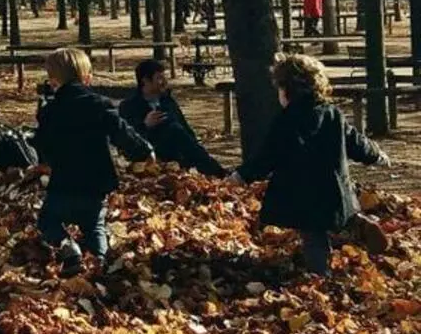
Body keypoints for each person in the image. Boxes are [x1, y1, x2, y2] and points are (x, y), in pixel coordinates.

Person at [229, 54, 390, 275]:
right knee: (340, 215)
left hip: (303, 193)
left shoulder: (286, 121)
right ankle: (359, 224)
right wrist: (377, 155)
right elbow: (356, 143)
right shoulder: (332, 114)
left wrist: (241, 176)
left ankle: (320, 277)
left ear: (286, 90)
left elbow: (268, 156)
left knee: (314, 237)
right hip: (335, 190)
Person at [32, 48, 153, 277]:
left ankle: (68, 247)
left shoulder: (49, 112)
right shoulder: (100, 105)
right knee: (94, 225)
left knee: (47, 222)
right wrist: (143, 151)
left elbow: (42, 143)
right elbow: (122, 134)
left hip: (63, 182)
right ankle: (100, 263)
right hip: (96, 182)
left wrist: (46, 162)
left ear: (53, 81)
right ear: (87, 77)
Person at [120, 59, 227, 177]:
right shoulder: (129, 106)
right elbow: (126, 139)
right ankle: (219, 173)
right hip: (149, 153)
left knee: (177, 131)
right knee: (173, 129)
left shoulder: (167, 101)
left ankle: (217, 172)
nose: (164, 82)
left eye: (164, 77)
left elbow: (186, 129)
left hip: (177, 152)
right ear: (145, 80)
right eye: (159, 78)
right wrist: (145, 125)